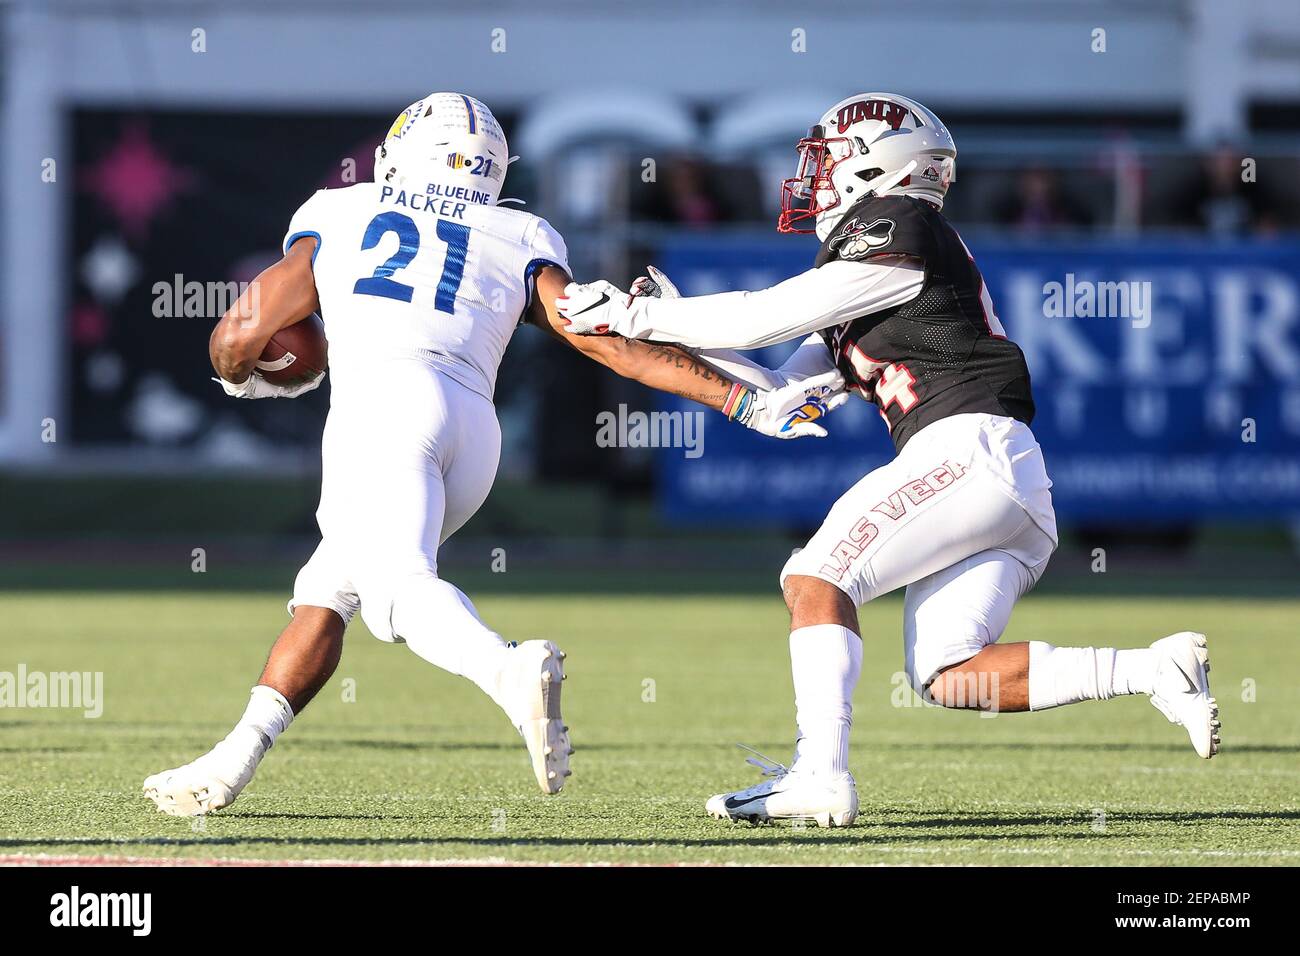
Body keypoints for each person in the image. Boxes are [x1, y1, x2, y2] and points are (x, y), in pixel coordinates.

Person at [143, 92, 844, 816]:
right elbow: (604, 341)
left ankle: (507, 671)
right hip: (474, 434)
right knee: (328, 594)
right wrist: (744, 400)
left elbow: (237, 334)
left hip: (384, 410)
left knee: (395, 590)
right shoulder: (519, 231)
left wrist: (252, 377)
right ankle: (230, 763)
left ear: (396, 156)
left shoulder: (338, 210)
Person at [559, 92, 1220, 828]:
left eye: (827, 159)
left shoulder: (902, 226)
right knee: (948, 673)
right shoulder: (878, 266)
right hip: (1006, 480)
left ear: (877, 166)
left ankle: (819, 773)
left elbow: (762, 312)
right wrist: (685, 338)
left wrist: (637, 314)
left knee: (815, 576)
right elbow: (786, 390)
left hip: (969, 450)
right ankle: (1151, 669)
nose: (812, 176)